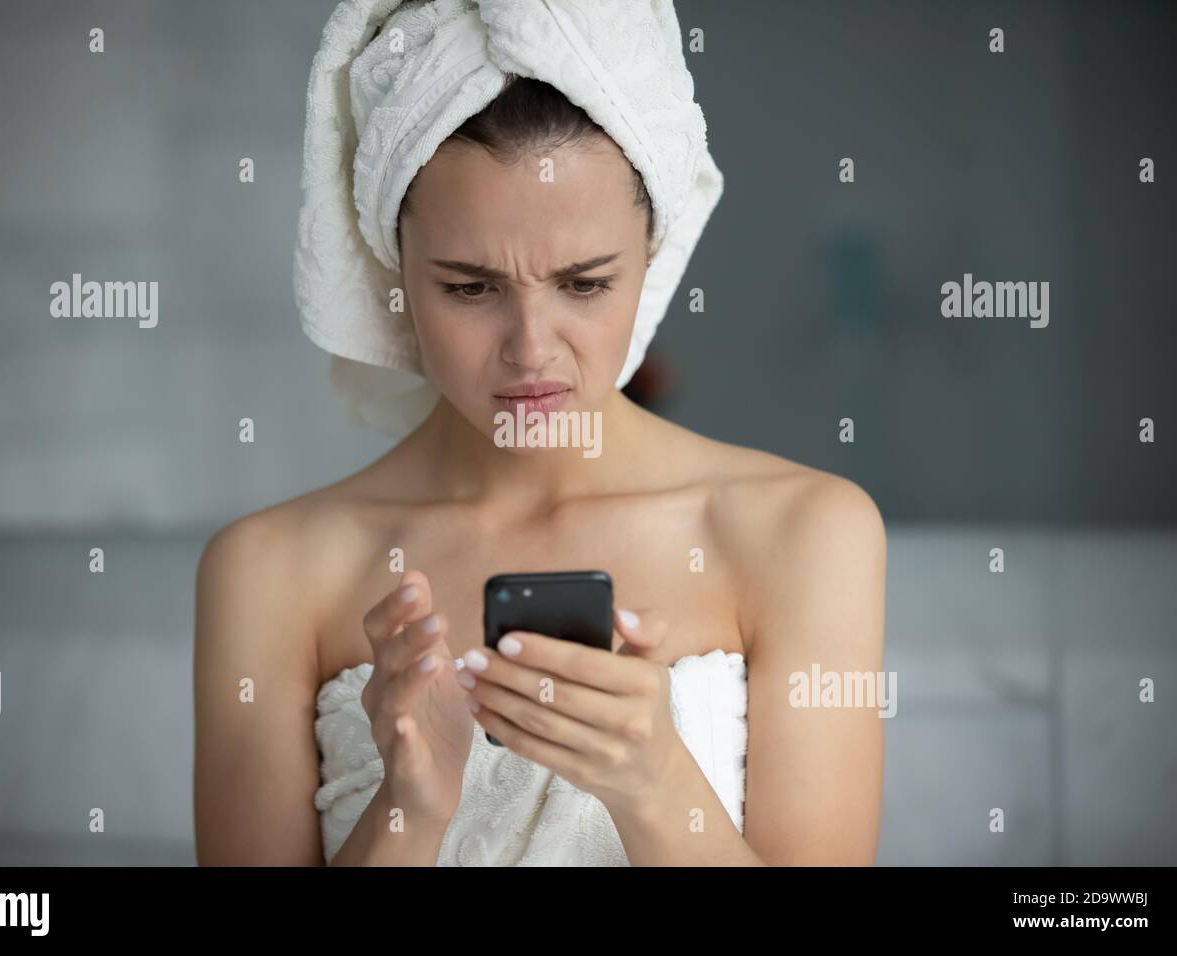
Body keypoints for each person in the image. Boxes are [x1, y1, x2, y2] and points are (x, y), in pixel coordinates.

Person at [194, 1, 885, 867]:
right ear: (393, 269)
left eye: (585, 284)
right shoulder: (267, 571)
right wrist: (411, 805)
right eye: (470, 288)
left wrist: (657, 785)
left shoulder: (805, 533)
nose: (530, 350)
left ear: (653, 251)